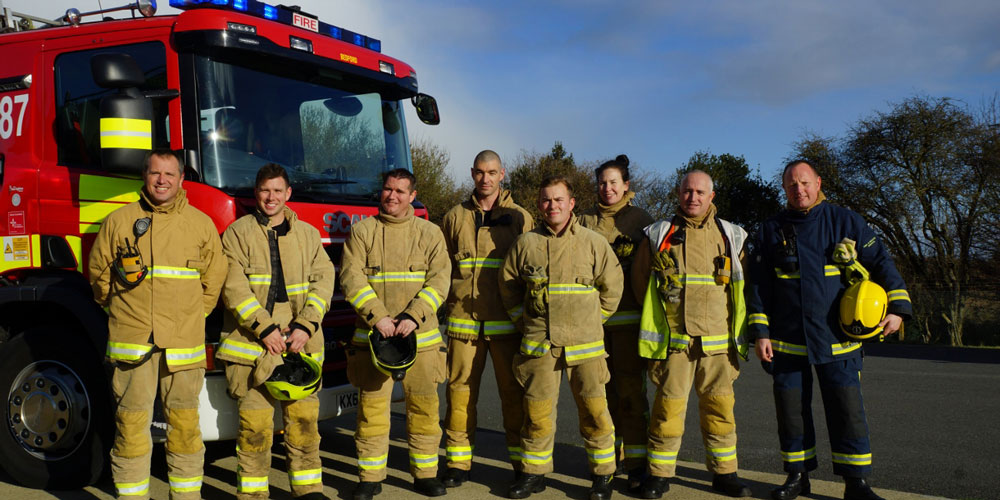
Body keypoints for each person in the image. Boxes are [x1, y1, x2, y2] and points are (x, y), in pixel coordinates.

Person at [747, 160, 912, 500]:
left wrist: (898, 308)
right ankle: (797, 477)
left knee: (846, 410)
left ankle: (856, 484)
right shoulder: (770, 230)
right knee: (791, 411)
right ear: (784, 188)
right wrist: (760, 332)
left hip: (840, 339)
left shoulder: (846, 221)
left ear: (818, 182)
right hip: (787, 340)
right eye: (792, 185)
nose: (799, 190)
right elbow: (758, 287)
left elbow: (881, 262)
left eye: (805, 183)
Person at [89, 149, 226, 500]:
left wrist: (194, 316)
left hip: (184, 343)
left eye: (169, 174)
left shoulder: (200, 224)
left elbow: (214, 279)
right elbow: (99, 275)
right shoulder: (119, 221)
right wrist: (123, 311)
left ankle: (185, 496)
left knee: (184, 425)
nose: (162, 180)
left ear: (182, 179)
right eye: (155, 173)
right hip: (133, 342)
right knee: (131, 424)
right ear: (144, 177)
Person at [630, 170, 753, 499]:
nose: (693, 197)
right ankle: (658, 474)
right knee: (667, 410)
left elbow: (742, 288)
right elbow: (641, 283)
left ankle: (725, 473)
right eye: (687, 191)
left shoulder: (731, 235)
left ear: (712, 196)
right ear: (678, 193)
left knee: (720, 409)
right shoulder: (659, 234)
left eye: (700, 192)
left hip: (716, 344)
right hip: (676, 343)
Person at [499, 176, 624, 500]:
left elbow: (612, 289)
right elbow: (508, 287)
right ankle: (533, 474)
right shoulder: (526, 244)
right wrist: (523, 323)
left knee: (595, 413)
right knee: (537, 415)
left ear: (571, 204)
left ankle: (603, 477)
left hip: (586, 347)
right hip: (540, 345)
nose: (552, 206)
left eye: (558, 200)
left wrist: (591, 321)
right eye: (546, 200)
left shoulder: (593, 242)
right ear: (539, 205)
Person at [216, 164, 335, 500]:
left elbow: (324, 283)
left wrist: (305, 326)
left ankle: (309, 490)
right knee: (254, 427)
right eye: (265, 191)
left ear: (288, 194)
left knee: (304, 422)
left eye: (278, 191)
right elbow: (233, 288)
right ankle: (253, 494)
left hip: (300, 340)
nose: (271, 198)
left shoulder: (309, 236)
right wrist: (265, 328)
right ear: (257, 194)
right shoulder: (237, 234)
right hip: (252, 344)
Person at [339, 169, 451, 500]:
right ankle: (370, 478)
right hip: (376, 341)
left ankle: (425, 474)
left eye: (401, 191)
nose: (392, 196)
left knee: (425, 411)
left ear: (413, 196)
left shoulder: (430, 233)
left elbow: (440, 281)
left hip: (422, 341)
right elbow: (351, 279)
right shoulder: (362, 232)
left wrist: (414, 317)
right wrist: (379, 318)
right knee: (372, 411)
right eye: (388, 189)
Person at [439, 150, 533, 486]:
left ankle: (523, 465)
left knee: (514, 396)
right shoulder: (454, 217)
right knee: (459, 396)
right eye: (479, 172)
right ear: (472, 173)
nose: (485, 179)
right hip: (465, 325)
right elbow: (442, 268)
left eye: (492, 172)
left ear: (503, 174)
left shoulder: (521, 217)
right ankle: (458, 464)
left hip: (508, 326)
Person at [578, 154, 654, 491]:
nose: (607, 188)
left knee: (630, 396)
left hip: (628, 326)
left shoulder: (642, 222)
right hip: (592, 328)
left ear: (626, 186)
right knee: (598, 398)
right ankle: (606, 464)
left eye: (613, 182)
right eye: (602, 182)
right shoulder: (582, 221)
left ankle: (637, 465)